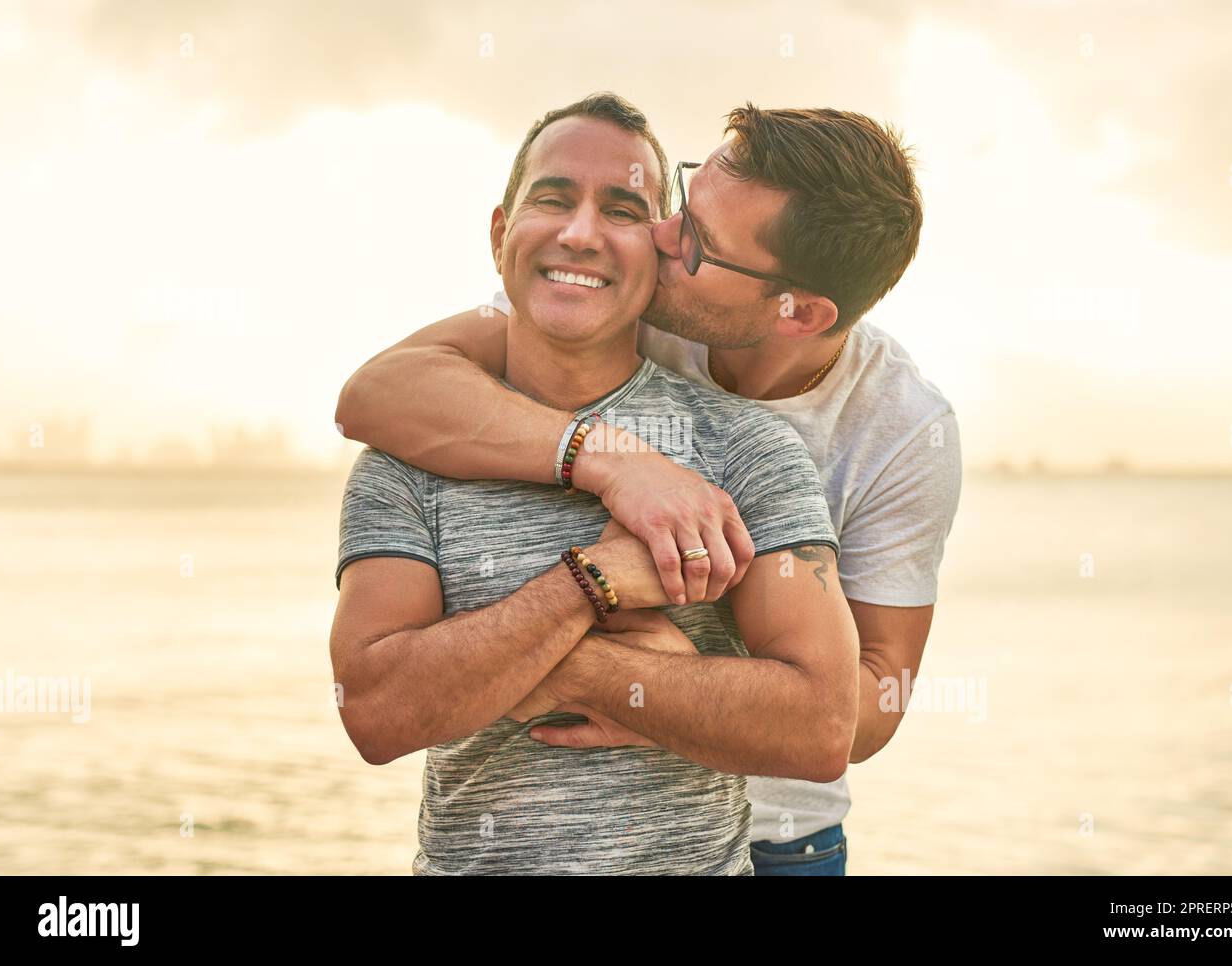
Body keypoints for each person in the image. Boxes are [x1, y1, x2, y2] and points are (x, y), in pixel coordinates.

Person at [338, 98, 962, 876]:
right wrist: (610, 460)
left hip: (778, 837)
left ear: (796, 311)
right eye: (681, 202)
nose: (658, 238)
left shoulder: (899, 428)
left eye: (694, 239)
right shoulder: (616, 297)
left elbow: (863, 705)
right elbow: (377, 393)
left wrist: (644, 686)